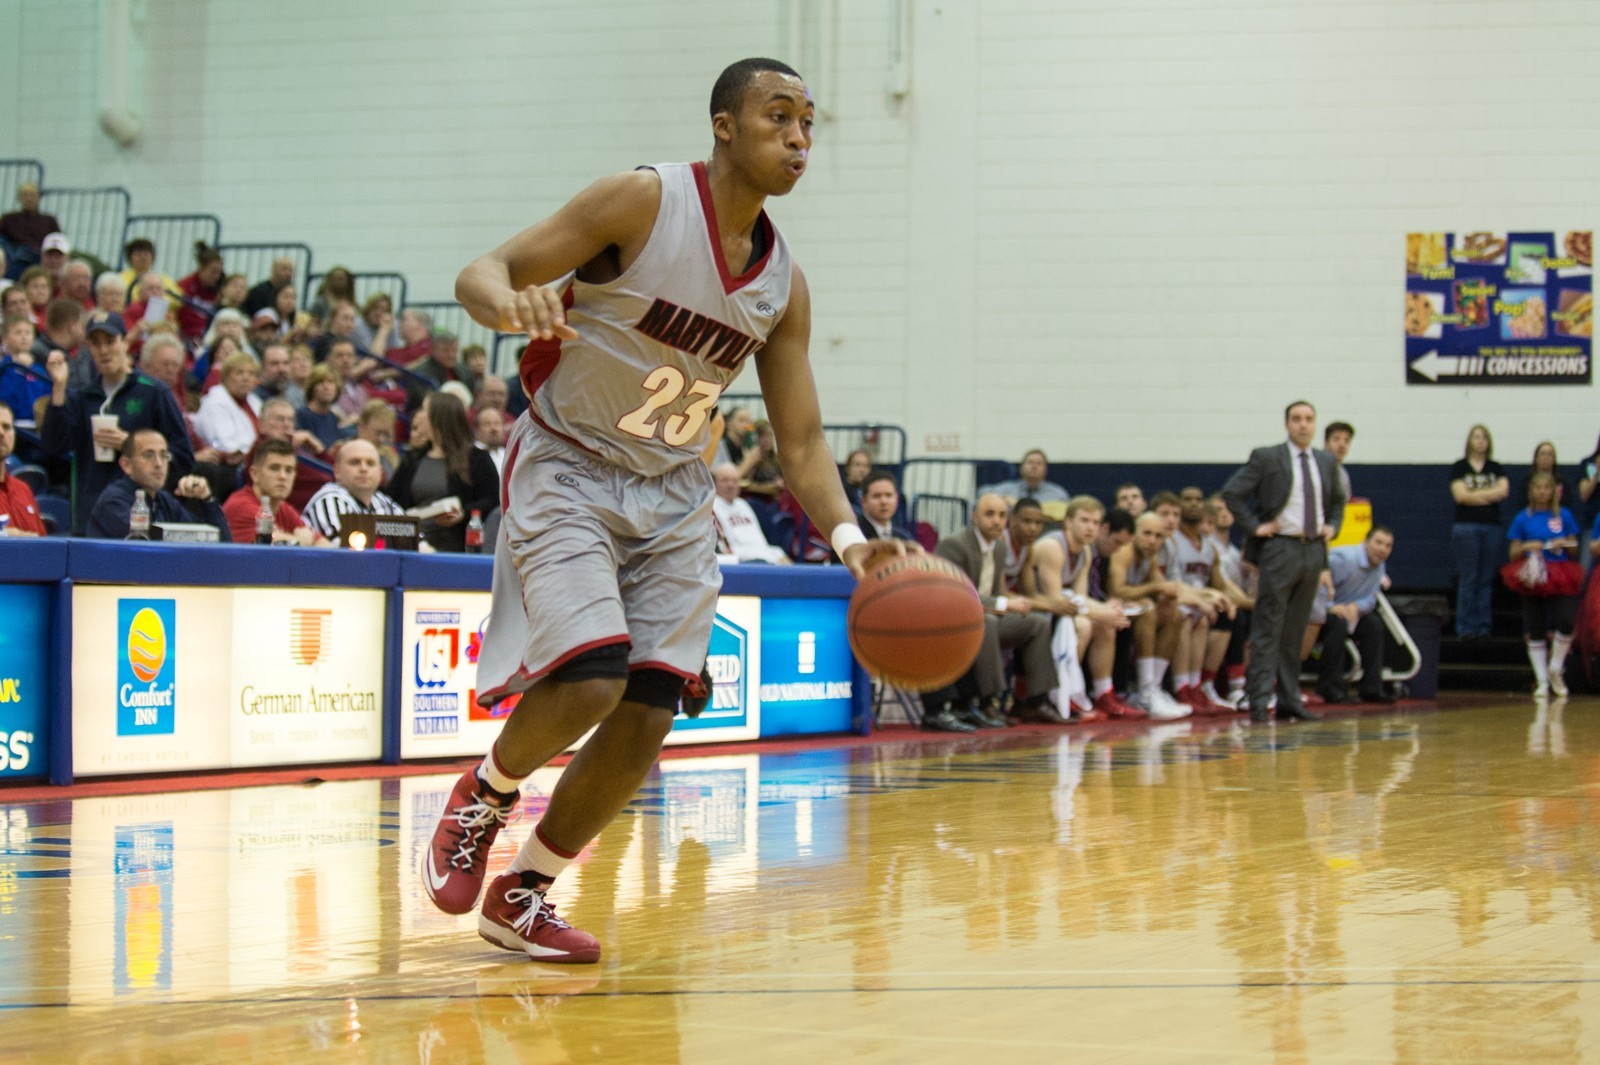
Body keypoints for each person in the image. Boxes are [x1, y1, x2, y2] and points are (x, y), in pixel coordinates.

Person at [425, 58, 905, 964]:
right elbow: (481, 271)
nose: (799, 137)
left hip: (676, 492)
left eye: (809, 123)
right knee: (592, 675)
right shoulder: (642, 202)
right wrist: (510, 303)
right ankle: (483, 796)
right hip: (570, 462)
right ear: (724, 125)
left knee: (650, 707)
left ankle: (523, 893)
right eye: (778, 117)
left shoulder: (784, 284)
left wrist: (852, 540)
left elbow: (801, 440)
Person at [1221, 400, 1347, 723]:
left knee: (1296, 630)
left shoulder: (1326, 461)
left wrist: (1333, 525)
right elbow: (1232, 493)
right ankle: (1259, 700)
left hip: (1313, 549)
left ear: (1315, 424)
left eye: (1309, 419)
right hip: (1280, 547)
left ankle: (1290, 700)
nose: (1303, 424)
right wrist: (1254, 526)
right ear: (1287, 424)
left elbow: (1338, 502)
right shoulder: (1267, 457)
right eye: (1296, 419)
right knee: (1268, 626)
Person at [39, 311, 194, 534]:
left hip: (142, 519)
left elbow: (183, 457)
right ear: (89, 349)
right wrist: (59, 388)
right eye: (96, 343)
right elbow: (53, 446)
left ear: (125, 342)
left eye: (110, 341)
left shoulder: (154, 393)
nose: (103, 350)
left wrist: (131, 446)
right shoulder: (82, 397)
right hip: (89, 518)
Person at [931, 493, 1060, 727]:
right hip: (954, 620)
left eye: (1002, 515)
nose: (996, 521)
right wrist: (1003, 604)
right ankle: (987, 702)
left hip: (985, 616)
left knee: (1037, 623)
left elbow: (997, 591)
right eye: (989, 514)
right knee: (988, 620)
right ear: (974, 517)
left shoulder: (999, 548)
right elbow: (955, 595)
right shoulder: (954, 544)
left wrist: (1012, 603)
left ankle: (1035, 702)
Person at [1019, 494, 1135, 721]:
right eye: (1084, 520)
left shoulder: (1086, 551)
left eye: (1095, 522)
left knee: (1105, 624)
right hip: (1035, 608)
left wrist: (1107, 611)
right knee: (1083, 625)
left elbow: (1080, 598)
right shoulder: (1053, 547)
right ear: (1068, 522)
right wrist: (1102, 612)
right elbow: (1056, 602)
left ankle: (1103, 693)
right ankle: (1063, 694)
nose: (1090, 527)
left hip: (1056, 610)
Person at [388, 390, 498, 553]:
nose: (418, 415)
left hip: (456, 548)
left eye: (423, 410)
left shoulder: (476, 458)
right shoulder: (412, 459)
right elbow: (391, 500)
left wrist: (463, 513)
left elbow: (493, 499)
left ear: (438, 417)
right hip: (413, 547)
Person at [1507, 471, 1580, 698]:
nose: (1542, 492)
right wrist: (1528, 546)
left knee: (1566, 620)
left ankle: (1555, 667)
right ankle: (1541, 681)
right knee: (1535, 626)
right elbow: (1513, 553)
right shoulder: (1522, 518)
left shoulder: (1564, 515)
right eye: (1538, 488)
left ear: (1554, 491)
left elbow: (1574, 547)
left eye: (1546, 488)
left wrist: (1563, 543)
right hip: (1534, 573)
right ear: (1531, 491)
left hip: (1560, 572)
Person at [86, 428, 227, 540]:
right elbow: (144, 550)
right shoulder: (114, 502)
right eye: (148, 455)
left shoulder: (165, 501)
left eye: (164, 455)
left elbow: (221, 545)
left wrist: (207, 499)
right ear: (126, 465)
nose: (159, 464)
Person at [1315, 527, 1396, 705]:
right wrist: (1331, 607)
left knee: (1373, 625)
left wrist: (1356, 607)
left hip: (1349, 613)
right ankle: (1330, 688)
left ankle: (1372, 688)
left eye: (1388, 546)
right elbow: (1315, 583)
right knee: (1338, 625)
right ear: (1365, 542)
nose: (1383, 549)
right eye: (1379, 543)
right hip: (1319, 610)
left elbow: (1371, 599)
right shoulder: (1343, 559)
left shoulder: (1379, 566)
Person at [1448, 424, 1509, 639]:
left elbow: (1503, 492)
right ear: (1469, 441)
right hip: (1466, 527)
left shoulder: (1495, 467)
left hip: (1491, 527)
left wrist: (1473, 495)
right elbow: (1460, 497)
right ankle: (1466, 627)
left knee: (1486, 580)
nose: (1480, 441)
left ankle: (1483, 627)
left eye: (1484, 437)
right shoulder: (1460, 467)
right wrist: (1489, 495)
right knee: (1469, 578)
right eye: (1476, 437)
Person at [221, 438, 325, 546]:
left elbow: (326, 546)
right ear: (255, 474)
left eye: (289, 470)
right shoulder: (242, 505)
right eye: (274, 468)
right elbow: (270, 542)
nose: (283, 476)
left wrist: (298, 540)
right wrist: (302, 540)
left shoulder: (283, 508)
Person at [301, 439, 406, 541]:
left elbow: (412, 539)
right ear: (337, 471)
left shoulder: (383, 501)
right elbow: (341, 546)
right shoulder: (329, 499)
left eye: (370, 463)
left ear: (380, 472)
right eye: (355, 462)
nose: (364, 469)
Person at [711, 462, 790, 563]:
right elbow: (726, 549)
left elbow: (760, 542)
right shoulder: (711, 507)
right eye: (725, 480)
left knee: (784, 559)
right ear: (714, 484)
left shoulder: (743, 504)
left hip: (762, 555)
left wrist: (776, 555)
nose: (730, 485)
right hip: (740, 560)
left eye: (734, 481)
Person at [191, 351, 261, 462]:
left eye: (251, 374)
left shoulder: (255, 402)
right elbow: (224, 446)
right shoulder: (214, 403)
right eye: (239, 373)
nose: (246, 378)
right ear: (226, 377)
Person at [0, 402, 46, 535]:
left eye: (6, 427)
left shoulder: (23, 490)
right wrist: (5, 535)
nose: (1, 432)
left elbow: (42, 541)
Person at [983, 448, 1070, 507]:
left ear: (1046, 470)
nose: (1034, 466)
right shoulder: (1008, 489)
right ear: (1021, 468)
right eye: (1030, 462)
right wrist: (1001, 498)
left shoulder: (1058, 494)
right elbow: (982, 492)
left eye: (1039, 463)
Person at [176, 243, 225, 343]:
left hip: (207, 336)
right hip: (186, 337)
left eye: (219, 272)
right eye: (213, 272)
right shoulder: (184, 286)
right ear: (201, 268)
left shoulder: (219, 288)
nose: (216, 277)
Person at [0, 183, 62, 261]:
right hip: (17, 260)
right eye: (25, 195)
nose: (29, 198)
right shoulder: (8, 219)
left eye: (32, 195)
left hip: (42, 258)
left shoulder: (49, 220)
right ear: (19, 198)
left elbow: (57, 240)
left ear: (39, 198)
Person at [856, 469, 915, 541]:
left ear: (897, 499)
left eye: (889, 495)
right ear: (863, 501)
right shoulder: (855, 533)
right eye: (876, 496)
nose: (884, 501)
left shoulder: (904, 538)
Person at [1324, 421, 1355, 500]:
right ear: (1326, 443)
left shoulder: (1343, 474)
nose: (1342, 445)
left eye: (1346, 441)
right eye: (1336, 439)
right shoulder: (1316, 469)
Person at [474, 406, 508, 476]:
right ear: (477, 430)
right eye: (487, 424)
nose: (493, 428)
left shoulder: (507, 454)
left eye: (497, 423)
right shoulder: (473, 456)